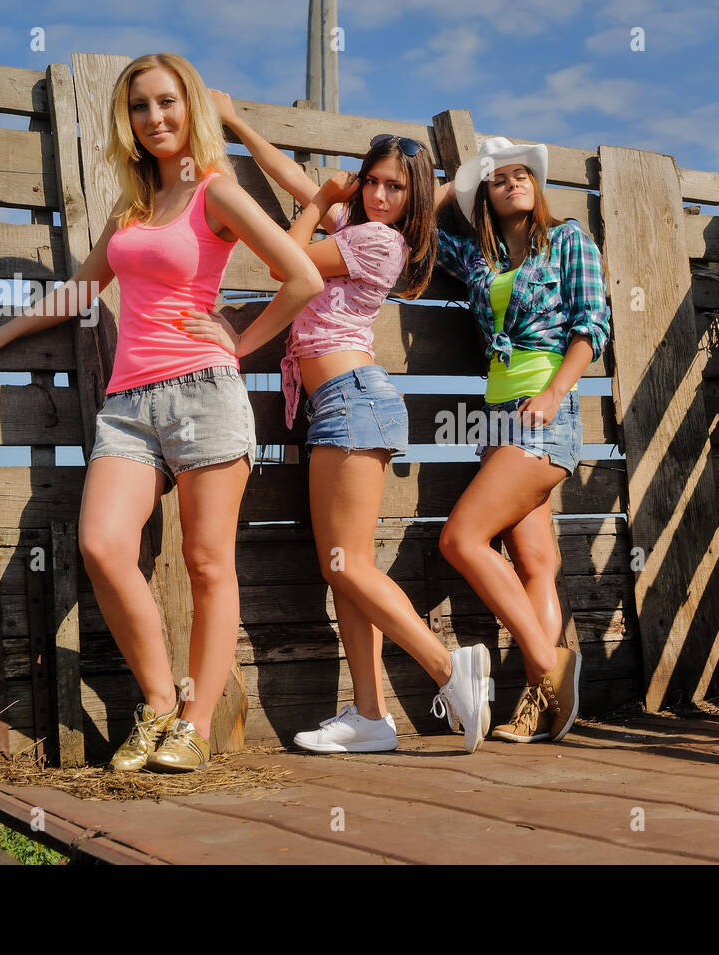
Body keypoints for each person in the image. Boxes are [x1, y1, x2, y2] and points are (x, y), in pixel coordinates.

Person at [0, 53, 325, 773]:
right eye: (141, 107)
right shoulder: (132, 207)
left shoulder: (217, 190)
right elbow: (79, 291)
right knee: (103, 545)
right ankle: (158, 704)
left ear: (191, 109)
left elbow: (301, 275)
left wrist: (237, 341)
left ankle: (195, 722)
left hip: (204, 397)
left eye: (167, 102)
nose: (156, 118)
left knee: (208, 563)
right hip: (127, 406)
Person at [211, 92, 492, 754]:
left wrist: (321, 202)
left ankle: (450, 667)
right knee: (344, 565)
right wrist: (235, 122)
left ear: (414, 198)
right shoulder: (355, 219)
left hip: (351, 400)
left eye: (396, 186)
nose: (379, 193)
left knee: (348, 565)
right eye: (372, 180)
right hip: (340, 403)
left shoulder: (375, 240)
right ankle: (369, 715)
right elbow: (290, 176)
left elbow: (290, 261)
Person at [432, 137, 611, 744]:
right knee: (535, 563)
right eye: (498, 178)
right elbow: (417, 238)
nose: (512, 183)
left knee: (460, 538)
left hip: (542, 414)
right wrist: (455, 187)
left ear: (537, 185)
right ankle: (540, 706)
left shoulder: (568, 241)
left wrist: (554, 395)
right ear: (485, 193)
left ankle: (547, 662)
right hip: (495, 418)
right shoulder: (480, 260)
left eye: (521, 174)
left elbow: (591, 327)